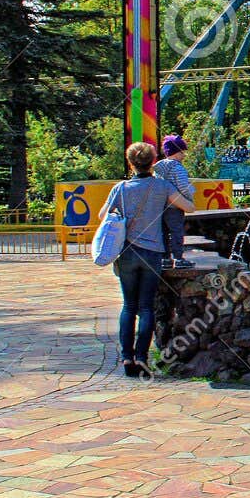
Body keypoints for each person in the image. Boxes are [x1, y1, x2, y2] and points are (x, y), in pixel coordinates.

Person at [99, 142, 194, 378]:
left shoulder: (120, 188)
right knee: (146, 307)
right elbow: (189, 207)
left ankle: (126, 357)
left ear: (130, 163)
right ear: (153, 162)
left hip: (127, 253)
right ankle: (141, 357)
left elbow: (102, 215)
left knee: (128, 306)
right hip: (152, 253)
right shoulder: (162, 186)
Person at [155, 133, 196, 268]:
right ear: (176, 153)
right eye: (182, 152)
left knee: (163, 232)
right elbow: (183, 186)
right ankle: (178, 258)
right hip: (175, 206)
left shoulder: (158, 168)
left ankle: (165, 258)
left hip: (160, 205)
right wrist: (190, 197)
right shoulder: (178, 168)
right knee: (176, 232)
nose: (184, 155)